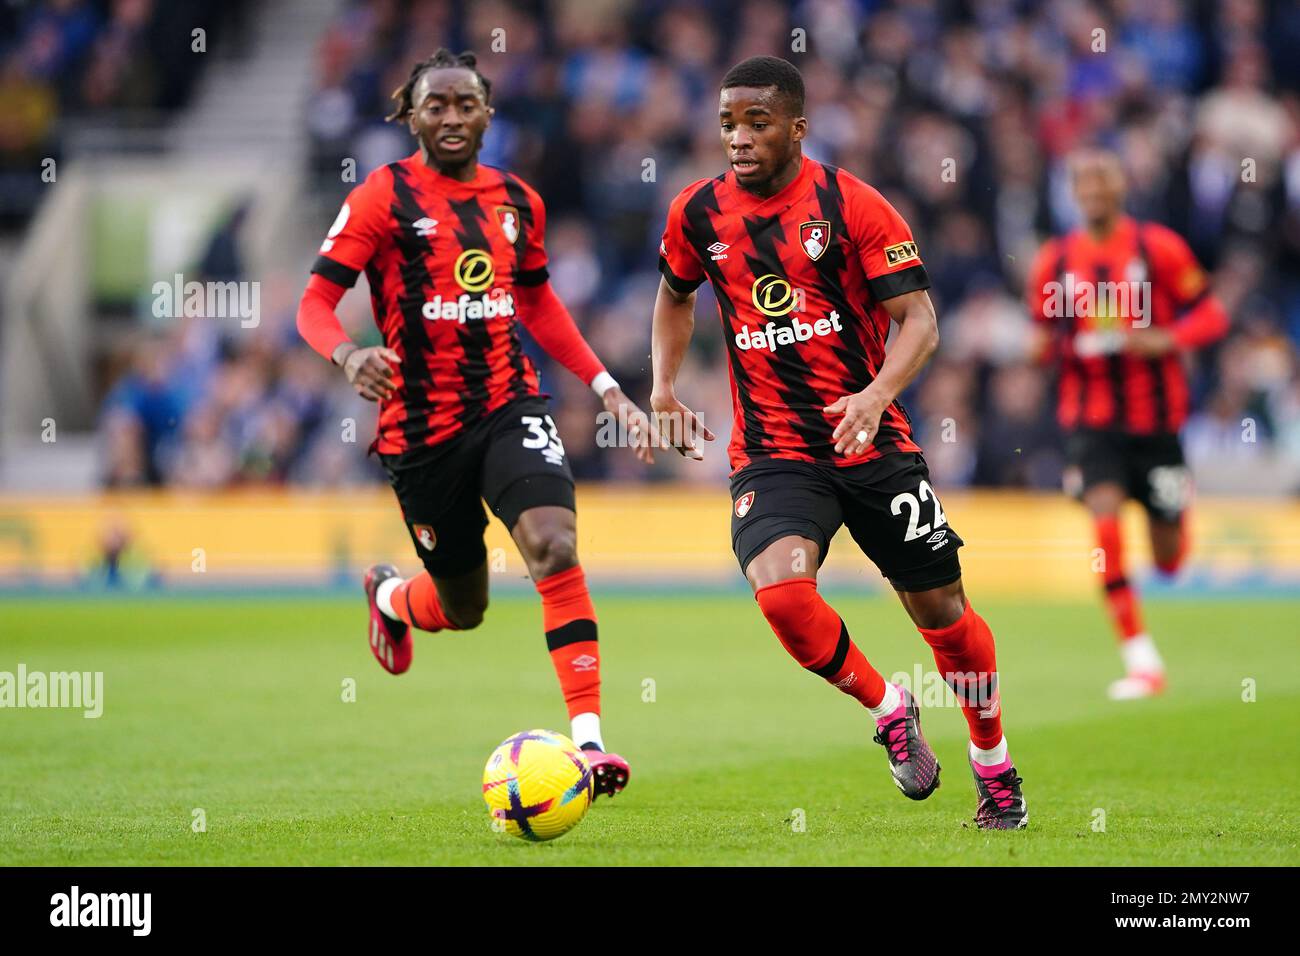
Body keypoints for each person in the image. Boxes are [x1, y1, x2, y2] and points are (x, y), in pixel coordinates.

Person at [649, 56, 1027, 829]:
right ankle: (889, 708)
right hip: (774, 449)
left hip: (872, 440)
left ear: (797, 126)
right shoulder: (695, 213)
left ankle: (993, 763)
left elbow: (919, 321)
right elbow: (673, 297)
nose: (739, 138)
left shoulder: (850, 204)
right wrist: (661, 385)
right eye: (727, 123)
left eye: (757, 123)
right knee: (784, 594)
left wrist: (878, 393)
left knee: (945, 616)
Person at [296, 49, 652, 798]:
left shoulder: (517, 200)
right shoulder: (379, 199)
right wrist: (347, 354)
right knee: (464, 607)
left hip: (505, 405)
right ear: (411, 115)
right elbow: (313, 305)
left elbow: (538, 304)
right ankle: (392, 598)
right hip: (419, 431)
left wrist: (607, 388)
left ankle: (590, 744)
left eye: (466, 105)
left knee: (553, 545)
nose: (452, 118)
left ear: (489, 113)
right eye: (436, 106)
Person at [1026, 148, 1229, 699]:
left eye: (1101, 183)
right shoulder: (1055, 262)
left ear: (1119, 189)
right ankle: (1142, 660)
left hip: (1157, 422)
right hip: (1092, 421)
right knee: (1105, 521)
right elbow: (1040, 336)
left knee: (1168, 558)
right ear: (1073, 193)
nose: (1091, 193)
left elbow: (1212, 313)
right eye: (1082, 184)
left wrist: (1169, 338)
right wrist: (1043, 349)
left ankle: (1170, 523)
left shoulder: (1156, 248)